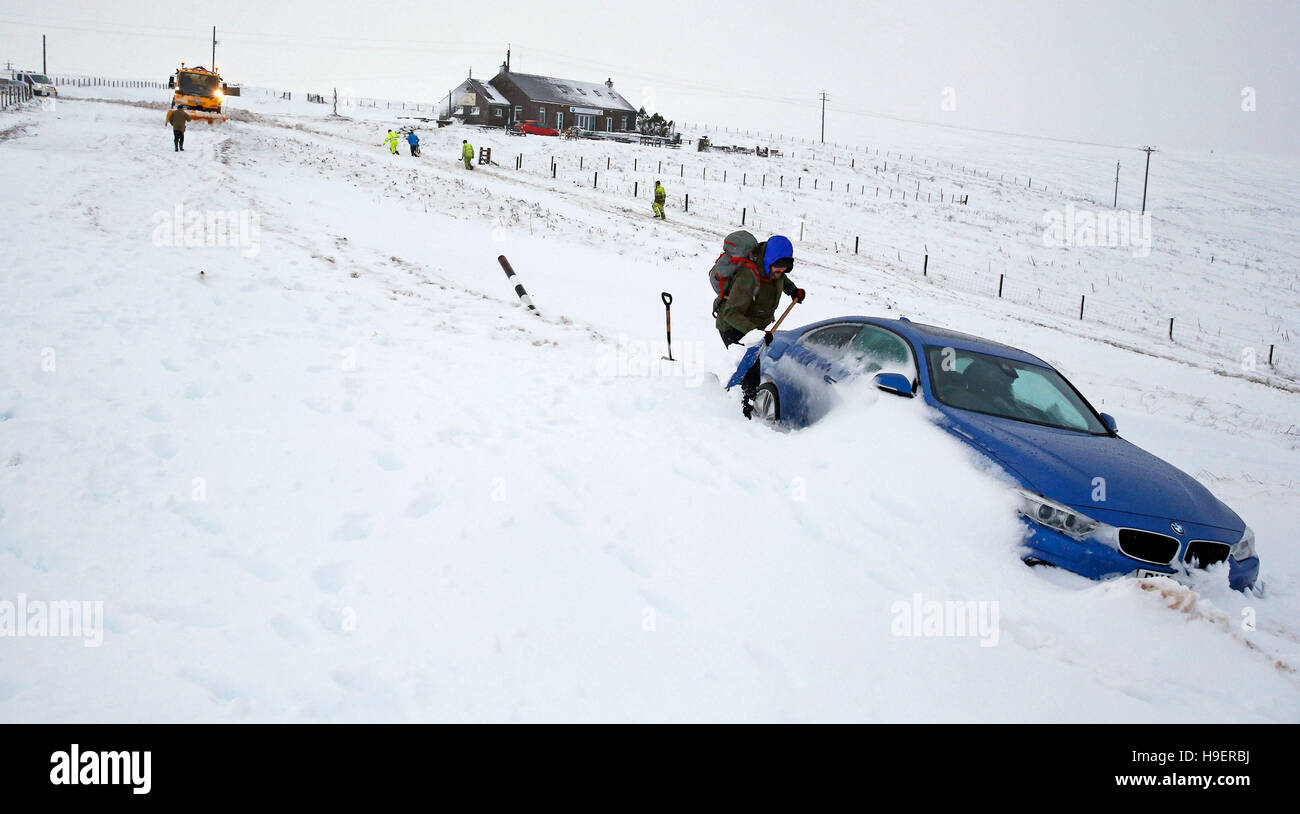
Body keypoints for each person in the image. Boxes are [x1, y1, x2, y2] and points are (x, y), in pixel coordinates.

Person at [715, 235, 807, 418]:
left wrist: (793, 290)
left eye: (785, 269)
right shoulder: (748, 277)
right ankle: (740, 412)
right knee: (750, 370)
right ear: (769, 260)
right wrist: (756, 333)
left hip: (754, 329)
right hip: (732, 326)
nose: (781, 272)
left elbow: (782, 280)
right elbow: (730, 313)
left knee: (748, 368)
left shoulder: (775, 271)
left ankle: (738, 403)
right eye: (778, 267)